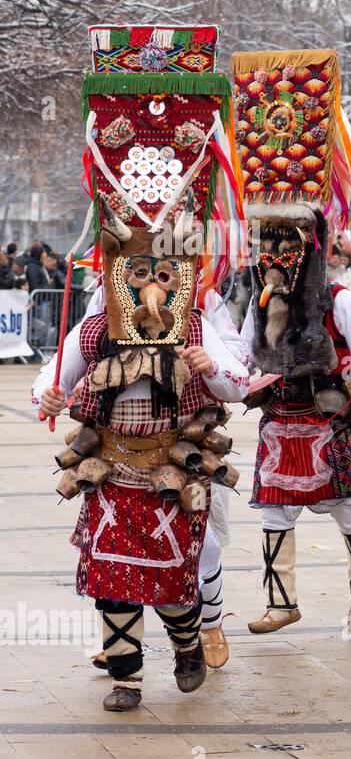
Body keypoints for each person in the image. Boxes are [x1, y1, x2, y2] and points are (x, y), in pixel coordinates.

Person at [35, 197, 248, 711]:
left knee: (173, 578)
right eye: (135, 272)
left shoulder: (197, 326)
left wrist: (209, 368)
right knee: (112, 577)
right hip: (110, 471)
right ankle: (126, 678)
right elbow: (54, 371)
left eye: (164, 272)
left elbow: (238, 385)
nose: (149, 288)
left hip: (172, 470)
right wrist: (47, 394)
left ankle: (189, 646)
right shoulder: (94, 330)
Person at [232, 47, 351, 636]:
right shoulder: (259, 301)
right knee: (274, 505)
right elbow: (247, 354)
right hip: (280, 415)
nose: (274, 261)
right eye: (265, 248)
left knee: (348, 508)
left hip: (334, 416)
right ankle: (282, 602)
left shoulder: (340, 298)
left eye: (286, 248)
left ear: (311, 251)